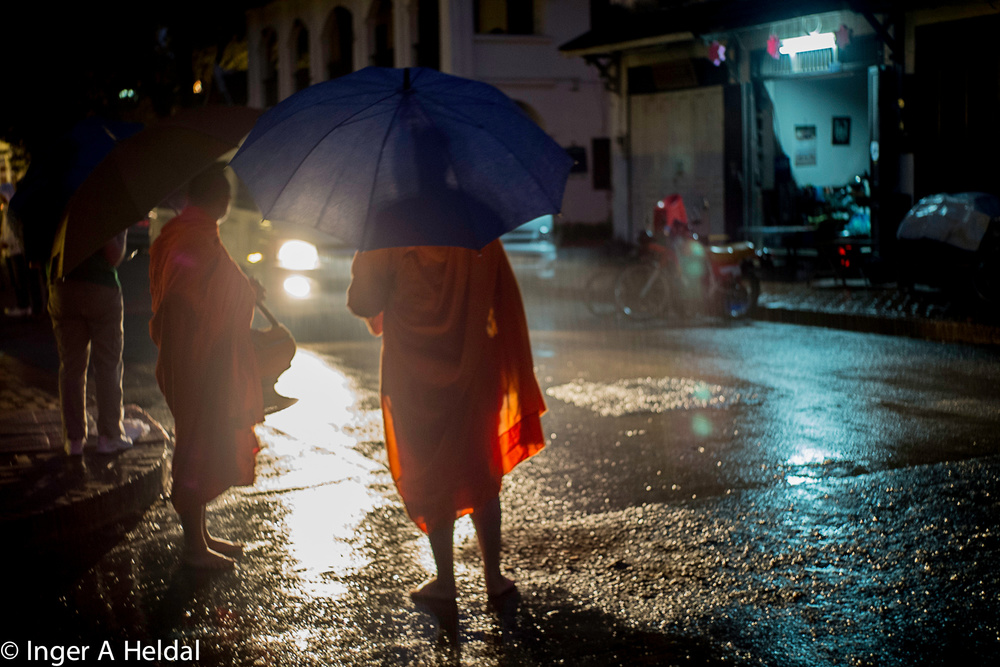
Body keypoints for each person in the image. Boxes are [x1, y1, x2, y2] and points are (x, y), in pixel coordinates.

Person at [346, 240, 547, 605]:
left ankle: (446, 580)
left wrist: (365, 264)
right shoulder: (475, 232)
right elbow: (501, 303)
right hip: (473, 368)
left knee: (429, 471)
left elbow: (363, 302)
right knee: (480, 468)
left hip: (413, 380)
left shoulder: (388, 234)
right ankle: (493, 577)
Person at [148, 164, 264, 570]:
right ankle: (195, 549)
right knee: (195, 445)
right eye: (226, 194)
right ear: (217, 198)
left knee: (203, 440)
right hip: (194, 359)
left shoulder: (190, 233)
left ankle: (201, 535)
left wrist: (245, 288)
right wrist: (239, 292)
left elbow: (215, 284)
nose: (230, 202)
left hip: (202, 356)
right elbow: (183, 300)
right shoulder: (190, 237)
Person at [47, 221, 141, 456]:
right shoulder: (101, 201)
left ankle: (74, 439)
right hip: (100, 288)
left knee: (71, 366)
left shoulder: (58, 200)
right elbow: (112, 255)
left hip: (62, 286)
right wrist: (122, 230)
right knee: (107, 365)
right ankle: (109, 436)